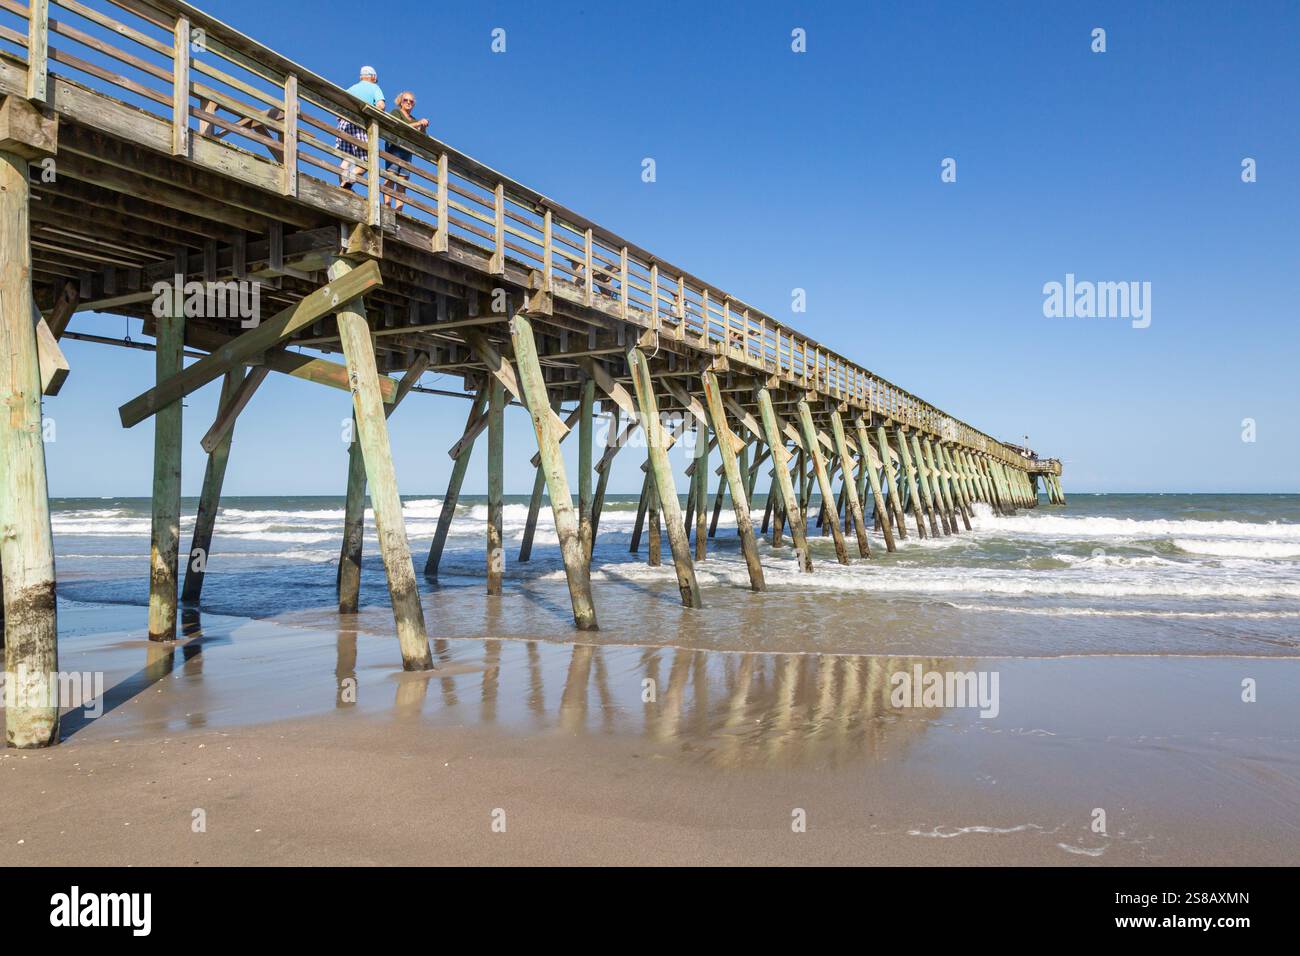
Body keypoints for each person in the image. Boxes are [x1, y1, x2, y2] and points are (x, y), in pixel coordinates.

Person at [336, 66, 385, 190]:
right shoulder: (374, 87)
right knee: (367, 161)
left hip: (344, 124)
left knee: (346, 159)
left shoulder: (351, 89)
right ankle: (345, 185)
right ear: (373, 77)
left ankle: (343, 185)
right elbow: (381, 105)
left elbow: (338, 110)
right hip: (360, 124)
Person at [383, 91, 429, 212]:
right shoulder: (396, 112)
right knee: (391, 176)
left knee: (403, 182)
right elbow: (399, 125)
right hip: (394, 149)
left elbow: (421, 136)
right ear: (400, 102)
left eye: (411, 101)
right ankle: (387, 206)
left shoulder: (413, 119)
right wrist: (418, 123)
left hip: (407, 152)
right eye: (406, 100)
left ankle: (399, 211)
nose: (408, 102)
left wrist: (423, 127)